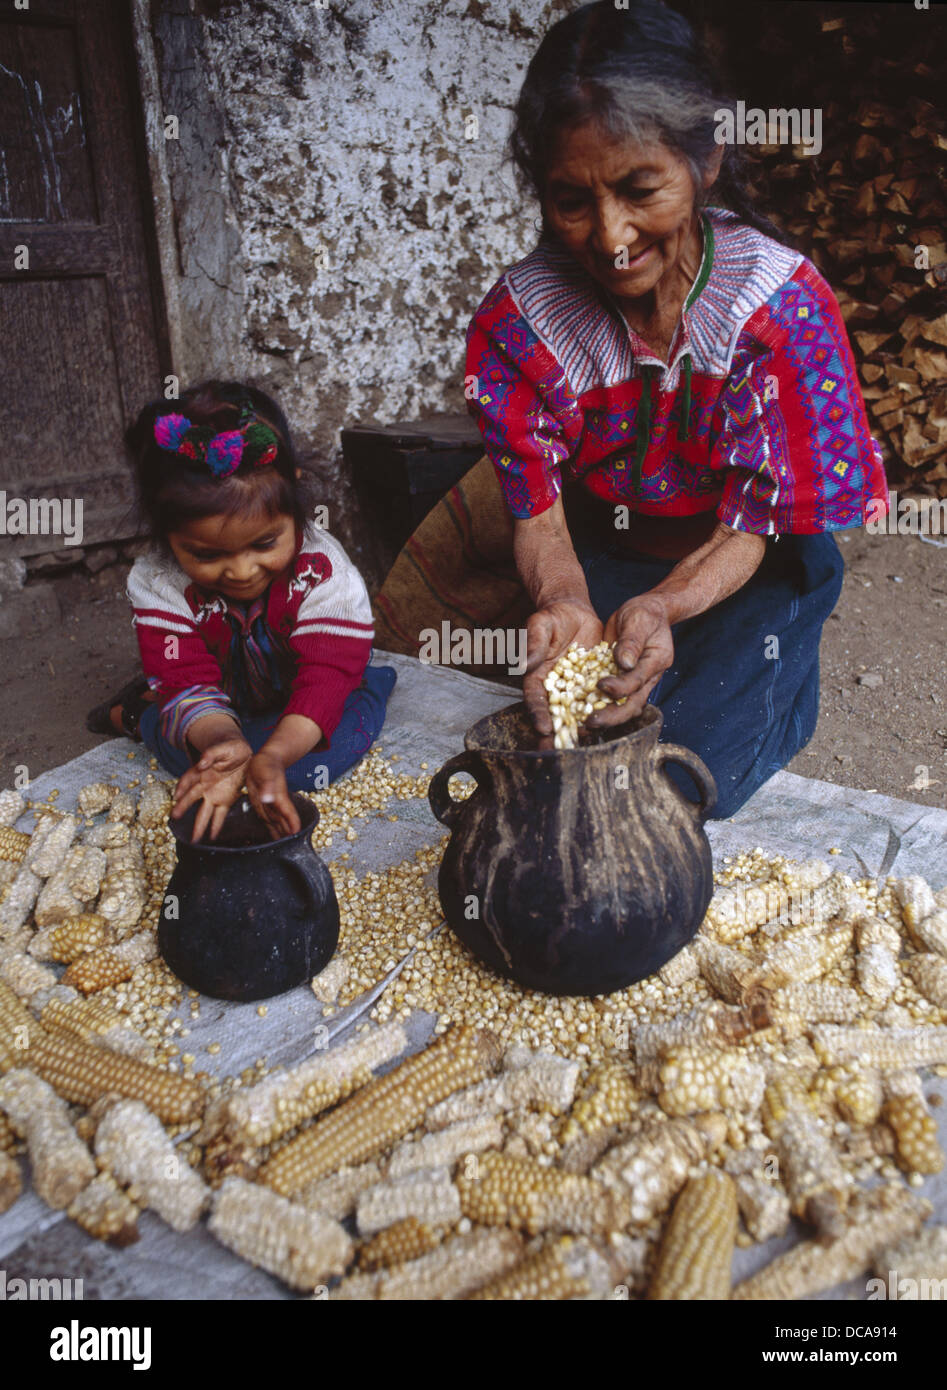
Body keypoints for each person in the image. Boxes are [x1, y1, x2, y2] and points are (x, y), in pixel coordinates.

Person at [453, 0, 887, 816]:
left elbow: (746, 528)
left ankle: (777, 670)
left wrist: (666, 606)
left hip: (746, 560)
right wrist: (564, 600)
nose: (610, 235)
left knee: (676, 774)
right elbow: (540, 518)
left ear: (706, 158)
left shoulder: (775, 310)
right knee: (568, 742)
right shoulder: (521, 324)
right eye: (570, 200)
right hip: (606, 545)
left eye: (638, 187)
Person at [89, 380, 395, 842]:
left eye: (265, 543)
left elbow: (326, 675)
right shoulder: (159, 582)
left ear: (293, 500)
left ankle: (255, 741)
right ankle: (137, 714)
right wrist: (220, 742)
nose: (241, 571)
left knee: (326, 751)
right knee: (197, 760)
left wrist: (272, 756)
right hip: (218, 700)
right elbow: (188, 678)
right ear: (166, 533)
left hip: (305, 694)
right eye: (208, 556)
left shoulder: (325, 572)